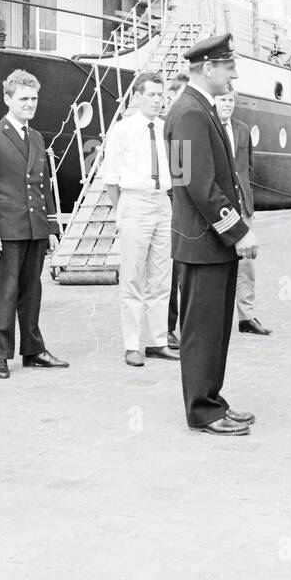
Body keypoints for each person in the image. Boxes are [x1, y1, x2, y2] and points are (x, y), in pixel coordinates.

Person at [165, 33, 259, 436]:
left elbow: (188, 178)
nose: (233, 76)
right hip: (205, 240)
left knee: (214, 329)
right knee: (202, 330)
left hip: (207, 240)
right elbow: (197, 185)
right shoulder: (189, 113)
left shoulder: (196, 108)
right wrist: (237, 231)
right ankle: (202, 410)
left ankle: (212, 399)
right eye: (229, 68)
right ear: (208, 68)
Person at [0, 70, 71, 379]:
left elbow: (43, 185)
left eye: (34, 98)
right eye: (24, 99)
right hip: (7, 230)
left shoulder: (37, 136)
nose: (30, 104)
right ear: (7, 99)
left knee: (32, 291)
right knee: (3, 293)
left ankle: (33, 351)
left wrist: (51, 228)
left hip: (34, 229)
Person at [102, 73, 179, 367]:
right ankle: (132, 345)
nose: (158, 101)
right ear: (137, 96)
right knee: (133, 278)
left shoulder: (168, 129)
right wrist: (124, 212)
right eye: (152, 95)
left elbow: (180, 171)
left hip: (163, 203)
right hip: (134, 201)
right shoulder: (121, 131)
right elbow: (111, 179)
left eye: (161, 96)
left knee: (162, 277)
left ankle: (159, 340)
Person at [216, 90, 271, 336]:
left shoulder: (242, 129)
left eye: (231, 101)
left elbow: (247, 167)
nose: (227, 104)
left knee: (247, 263)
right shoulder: (208, 127)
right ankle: (215, 317)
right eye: (223, 100)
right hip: (218, 207)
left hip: (242, 206)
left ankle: (246, 316)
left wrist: (248, 203)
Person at [164, 71, 190, 349]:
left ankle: (185, 326)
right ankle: (168, 327)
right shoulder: (166, 126)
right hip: (169, 202)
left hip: (180, 202)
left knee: (183, 270)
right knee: (170, 272)